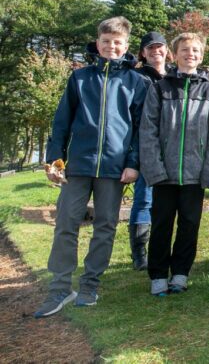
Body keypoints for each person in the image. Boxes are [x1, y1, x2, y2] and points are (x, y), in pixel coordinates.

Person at [35, 17, 149, 318]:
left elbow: (140, 129)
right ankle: (60, 288)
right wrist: (54, 161)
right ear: (98, 44)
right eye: (106, 41)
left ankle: (89, 285)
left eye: (118, 42)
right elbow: (61, 123)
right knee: (65, 224)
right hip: (78, 166)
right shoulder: (80, 78)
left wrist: (133, 164)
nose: (112, 46)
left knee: (105, 227)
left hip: (115, 169)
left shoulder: (137, 83)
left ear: (126, 47)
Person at [140, 33, 209, 295]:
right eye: (185, 50)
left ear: (201, 56)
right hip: (164, 172)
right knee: (162, 223)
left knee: (189, 224)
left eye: (196, 50)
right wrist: (154, 169)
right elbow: (148, 130)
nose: (191, 54)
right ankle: (157, 274)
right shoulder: (159, 88)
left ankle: (180, 273)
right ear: (173, 55)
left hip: (195, 173)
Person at [128, 31, 171, 271]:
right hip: (145, 142)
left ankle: (160, 247)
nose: (156, 51)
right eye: (150, 48)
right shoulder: (135, 77)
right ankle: (139, 252)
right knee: (144, 197)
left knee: (165, 200)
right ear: (143, 53)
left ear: (166, 50)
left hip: (172, 145)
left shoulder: (175, 75)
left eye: (160, 47)